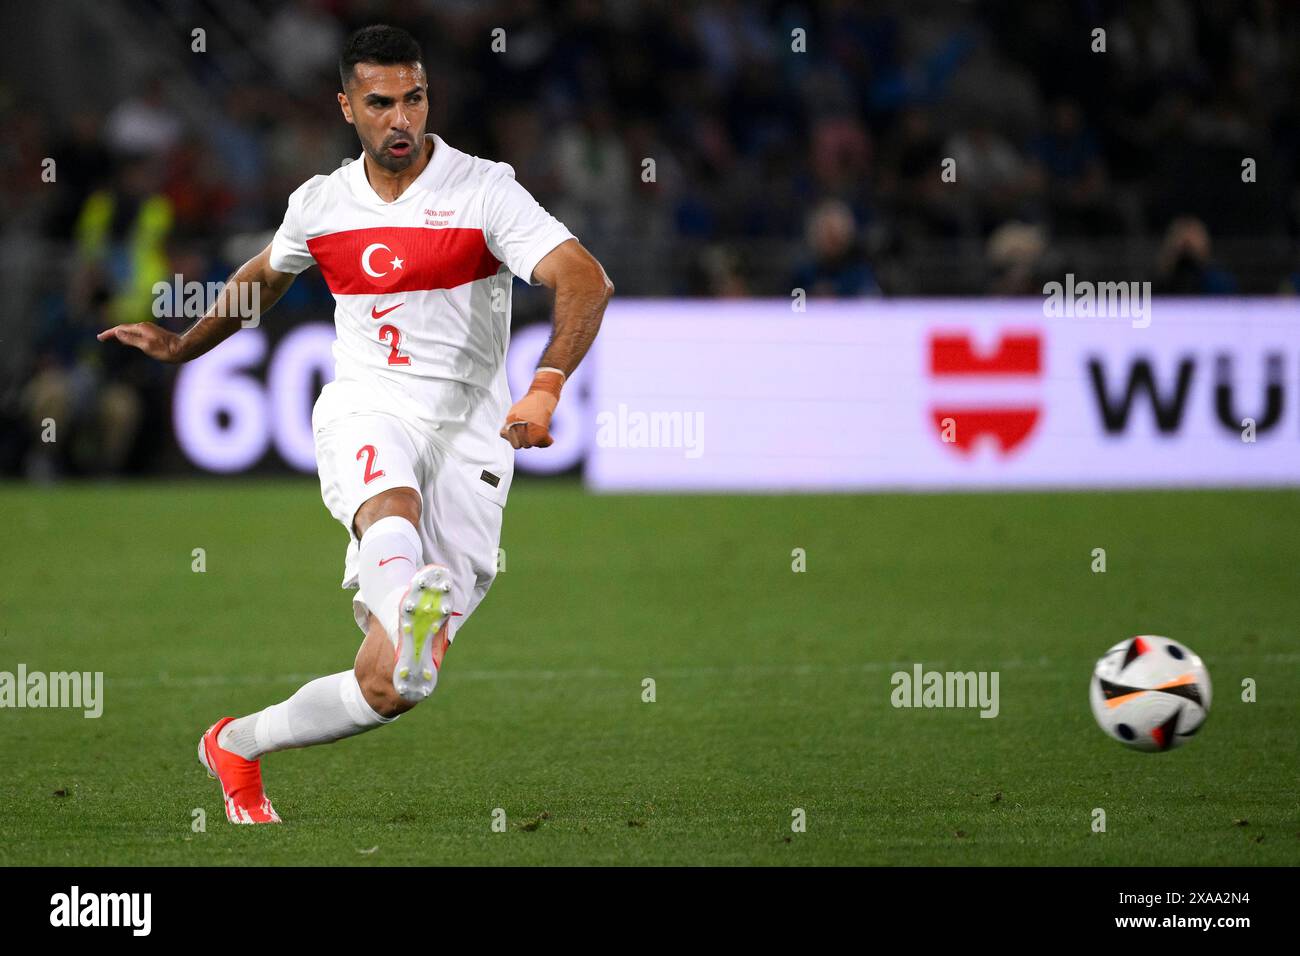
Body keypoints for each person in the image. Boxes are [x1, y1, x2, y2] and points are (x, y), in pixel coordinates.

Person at [98, 24, 614, 824]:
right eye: (380, 103)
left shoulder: (484, 191)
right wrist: (181, 345)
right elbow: (264, 278)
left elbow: (584, 279)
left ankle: (236, 742)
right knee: (388, 500)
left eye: (413, 98)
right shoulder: (321, 202)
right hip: (368, 405)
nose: (400, 118)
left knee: (392, 684)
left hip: (473, 439)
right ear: (347, 106)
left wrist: (545, 386)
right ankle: (410, 593)